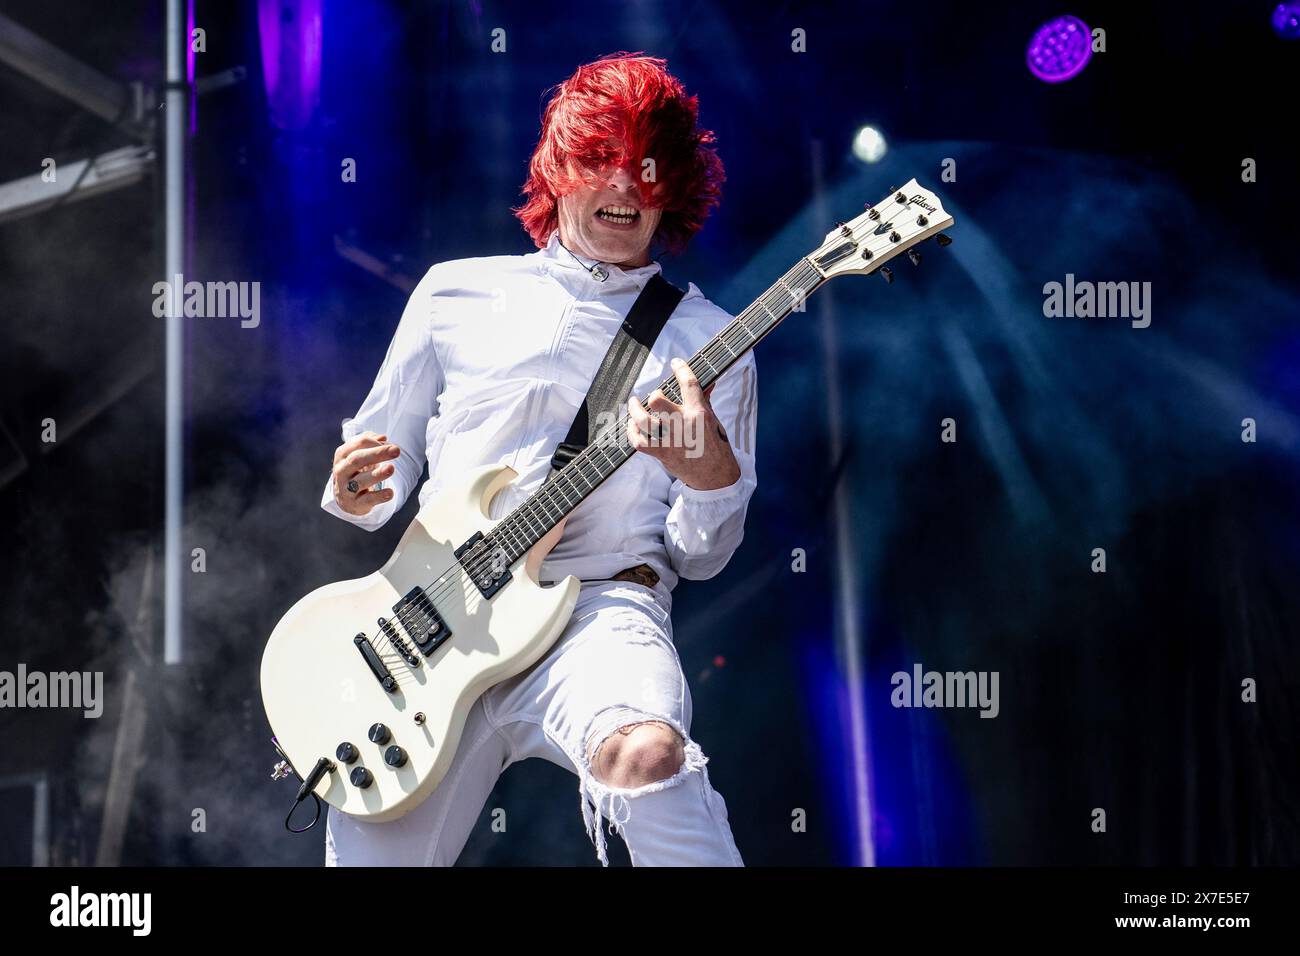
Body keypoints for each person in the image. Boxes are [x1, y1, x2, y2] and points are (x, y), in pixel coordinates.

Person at [320, 52, 757, 866]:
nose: (625, 188)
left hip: (600, 612)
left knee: (647, 758)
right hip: (433, 619)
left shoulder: (706, 341)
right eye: (601, 162)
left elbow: (702, 557)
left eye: (647, 170)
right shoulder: (453, 293)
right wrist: (353, 489)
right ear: (558, 171)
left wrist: (708, 477)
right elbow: (380, 472)